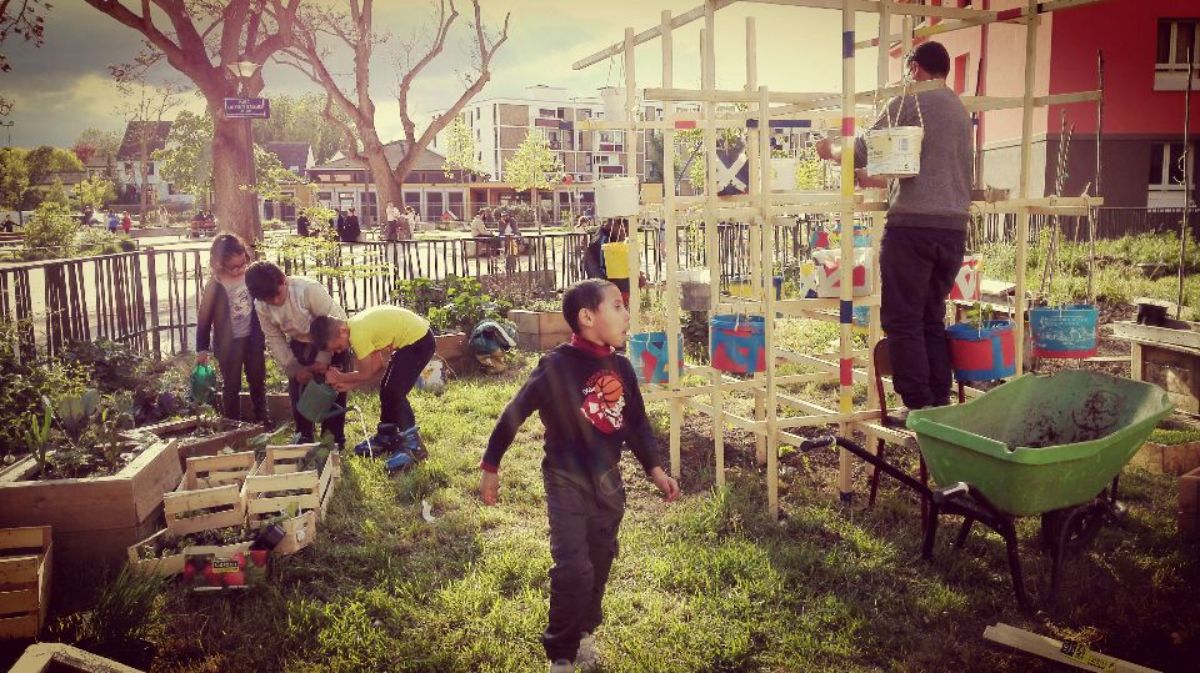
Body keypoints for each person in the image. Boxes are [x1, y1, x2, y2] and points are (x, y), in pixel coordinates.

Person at [479, 279, 680, 673]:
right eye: (618, 306)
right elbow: (514, 413)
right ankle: (562, 653)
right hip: (565, 480)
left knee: (600, 559)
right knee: (573, 567)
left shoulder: (621, 366)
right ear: (588, 317)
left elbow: (637, 424)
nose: (626, 315)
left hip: (608, 482)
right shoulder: (556, 365)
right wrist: (490, 466)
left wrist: (655, 471)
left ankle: (585, 632)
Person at [815, 40, 972, 420]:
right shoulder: (958, 110)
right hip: (952, 230)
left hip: (912, 229)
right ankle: (939, 402)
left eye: (907, 70)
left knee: (902, 319)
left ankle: (917, 405)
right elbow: (924, 169)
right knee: (931, 316)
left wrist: (831, 149)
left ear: (915, 68)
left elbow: (863, 149)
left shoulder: (909, 100)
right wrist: (882, 181)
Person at [310, 306, 436, 469]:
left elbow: (365, 372)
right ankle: (387, 436)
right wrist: (349, 383)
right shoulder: (355, 327)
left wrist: (341, 377)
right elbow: (376, 368)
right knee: (386, 390)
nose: (340, 351)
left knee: (395, 393)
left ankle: (414, 446)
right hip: (414, 340)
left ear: (342, 331)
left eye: (338, 347)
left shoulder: (357, 335)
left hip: (418, 342)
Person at [245, 260, 349, 448]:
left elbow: (337, 323)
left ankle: (332, 441)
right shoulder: (261, 306)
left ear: (283, 280)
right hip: (300, 343)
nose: (275, 301)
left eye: (277, 294)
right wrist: (294, 368)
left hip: (333, 342)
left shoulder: (308, 290)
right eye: (269, 299)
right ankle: (304, 439)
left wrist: (322, 361)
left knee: (333, 389)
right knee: (299, 391)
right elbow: (274, 338)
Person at [196, 233, 268, 424]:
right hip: (229, 344)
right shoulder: (215, 285)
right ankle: (233, 424)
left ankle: (262, 419)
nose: (239, 270)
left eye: (243, 264)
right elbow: (204, 318)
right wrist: (201, 348)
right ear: (220, 264)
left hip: (252, 339)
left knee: (257, 379)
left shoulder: (251, 275)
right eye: (234, 267)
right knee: (231, 385)